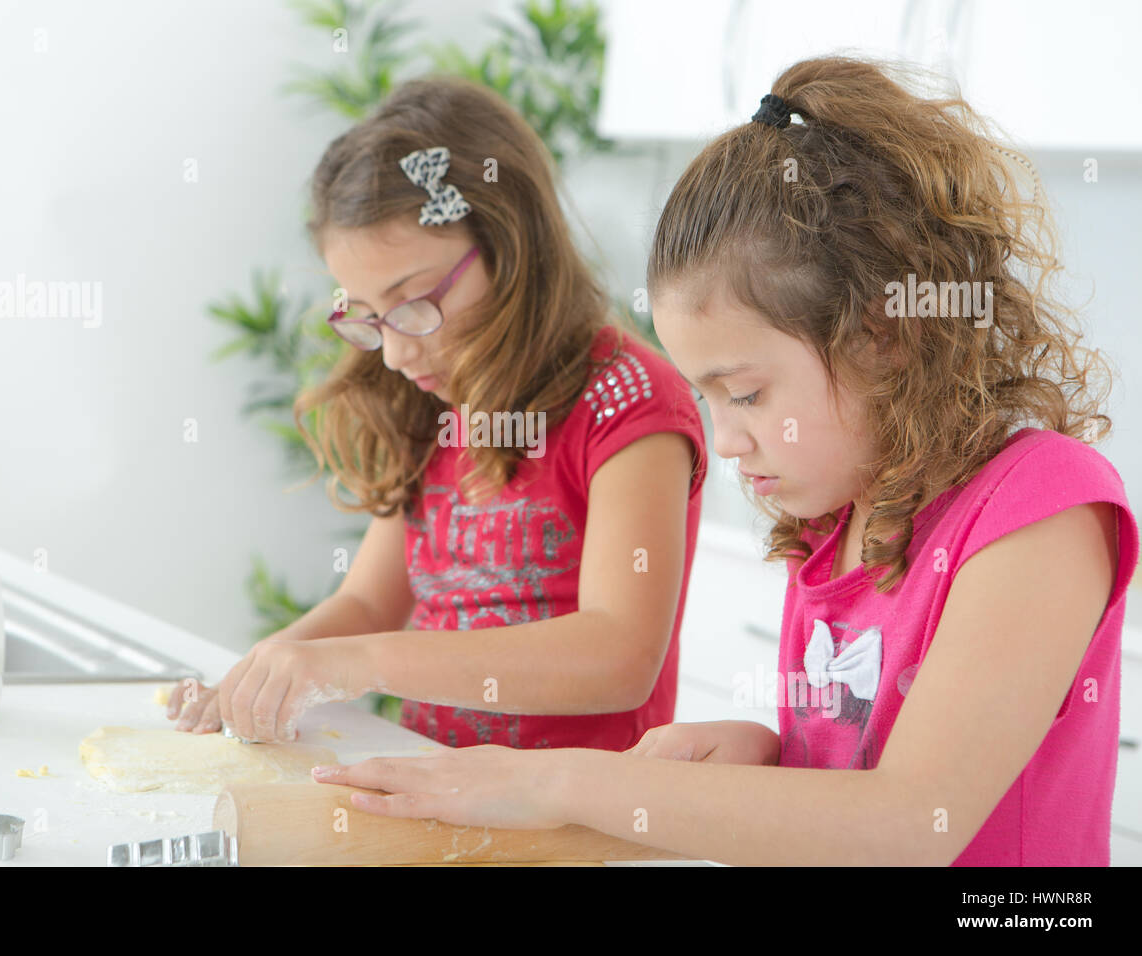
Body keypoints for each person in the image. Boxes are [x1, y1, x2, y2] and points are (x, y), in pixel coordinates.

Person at [314, 56, 1138, 866]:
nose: (726, 438)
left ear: (885, 335)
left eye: (743, 394)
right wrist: (772, 756)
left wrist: (561, 782)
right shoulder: (835, 524)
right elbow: (857, 786)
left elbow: (911, 821)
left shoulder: (1045, 504)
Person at [168, 76, 708, 752]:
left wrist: (359, 663)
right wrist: (261, 672)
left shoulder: (629, 403)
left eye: (415, 300)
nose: (394, 352)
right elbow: (369, 603)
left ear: (511, 248)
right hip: (438, 784)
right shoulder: (431, 400)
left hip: (577, 824)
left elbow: (617, 655)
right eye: (366, 317)